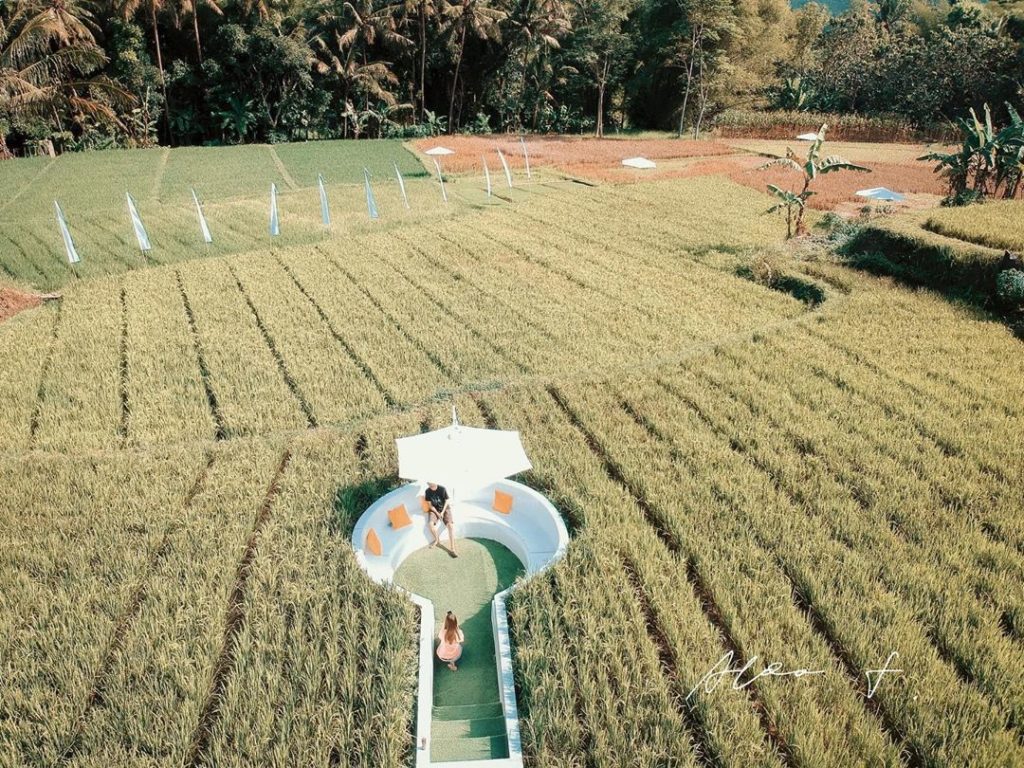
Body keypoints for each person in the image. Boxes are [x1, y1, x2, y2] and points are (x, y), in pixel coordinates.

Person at [421, 481, 457, 557]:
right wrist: (437, 513)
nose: (429, 484)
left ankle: (452, 548)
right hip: (434, 510)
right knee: (430, 524)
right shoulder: (427, 491)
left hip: (445, 508)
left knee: (450, 526)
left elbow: (447, 501)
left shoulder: (442, 489)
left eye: (430, 482)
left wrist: (443, 512)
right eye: (428, 483)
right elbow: (430, 506)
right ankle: (437, 540)